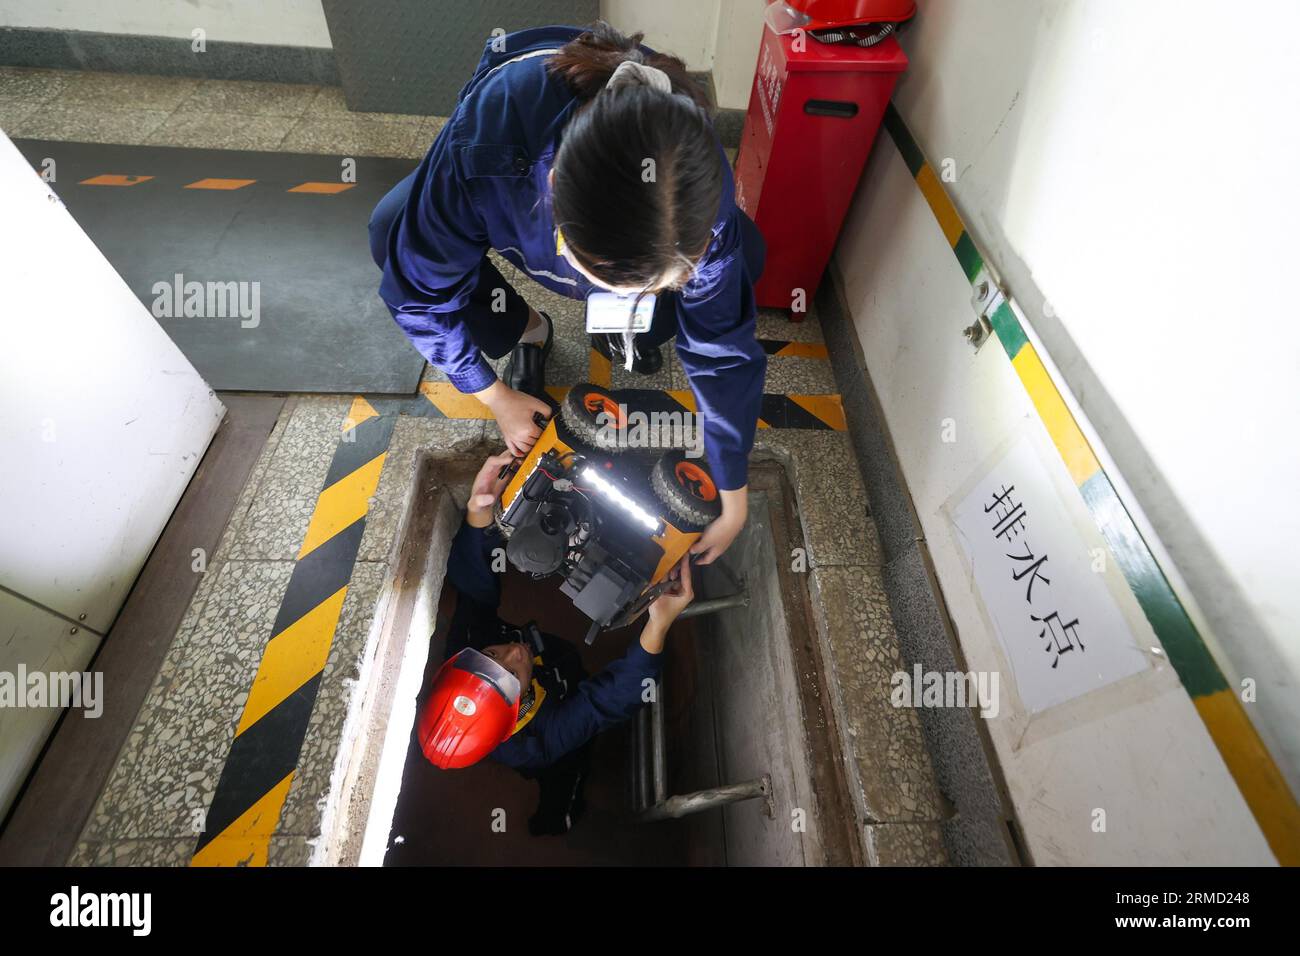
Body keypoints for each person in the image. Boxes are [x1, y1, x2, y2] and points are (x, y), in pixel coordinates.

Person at [369, 21, 767, 564]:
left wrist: (734, 491)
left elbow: (721, 351)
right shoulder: (489, 140)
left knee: (750, 260)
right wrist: (493, 395)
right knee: (391, 229)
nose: (612, 299)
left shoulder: (699, 196)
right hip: (509, 174)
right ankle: (524, 326)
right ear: (554, 192)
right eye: (608, 285)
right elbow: (418, 296)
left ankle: (641, 323)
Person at [417, 452, 694, 835]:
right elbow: (606, 702)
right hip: (562, 699)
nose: (513, 651)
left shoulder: (466, 655)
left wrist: (479, 513)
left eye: (492, 655)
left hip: (554, 661)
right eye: (513, 672)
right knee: (567, 769)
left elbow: (475, 592)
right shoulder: (538, 740)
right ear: (516, 710)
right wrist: (658, 624)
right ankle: (557, 815)